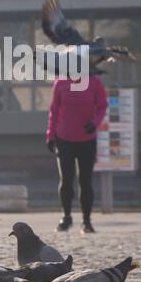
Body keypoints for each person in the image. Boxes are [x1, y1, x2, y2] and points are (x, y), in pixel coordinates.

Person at [45, 72, 108, 233]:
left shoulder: (94, 82)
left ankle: (86, 221)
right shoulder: (60, 83)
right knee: (66, 179)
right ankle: (66, 217)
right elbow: (54, 110)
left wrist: (95, 123)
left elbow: (102, 106)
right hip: (63, 138)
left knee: (85, 181)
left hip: (87, 138)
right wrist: (50, 135)